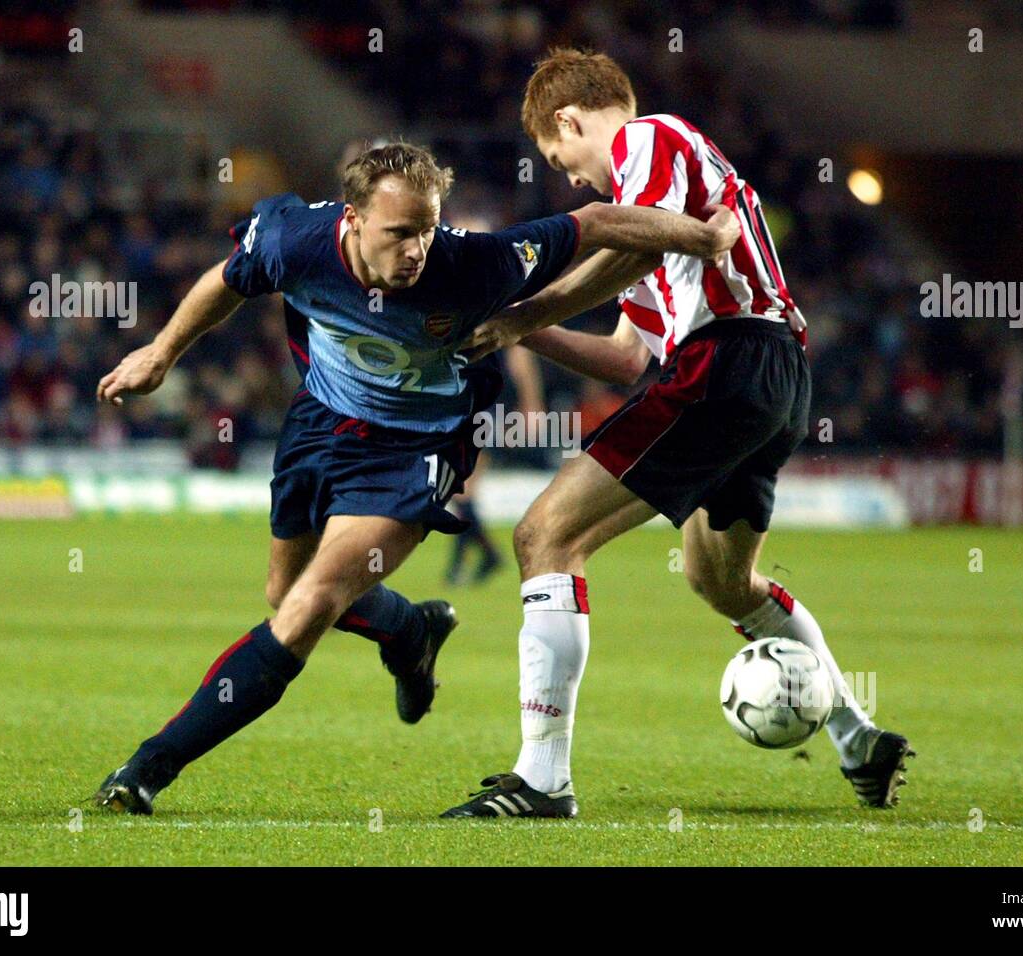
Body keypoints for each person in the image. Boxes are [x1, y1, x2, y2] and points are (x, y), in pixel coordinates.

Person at [92, 141, 742, 814]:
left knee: (309, 604)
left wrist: (706, 236)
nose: (416, 250)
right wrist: (162, 352)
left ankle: (147, 767)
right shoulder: (296, 242)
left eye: (427, 230)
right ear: (352, 220)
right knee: (283, 592)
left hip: (414, 449)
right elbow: (229, 278)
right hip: (320, 423)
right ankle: (408, 630)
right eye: (400, 233)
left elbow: (601, 223)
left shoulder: (473, 264)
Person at [443, 51, 911, 819]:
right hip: (772, 375)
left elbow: (641, 242)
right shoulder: (662, 204)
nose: (574, 181)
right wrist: (512, 334)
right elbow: (627, 357)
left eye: (564, 160)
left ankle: (542, 779)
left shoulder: (648, 139)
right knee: (720, 580)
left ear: (571, 120)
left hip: (726, 361)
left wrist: (525, 308)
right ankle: (859, 736)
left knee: (546, 535)